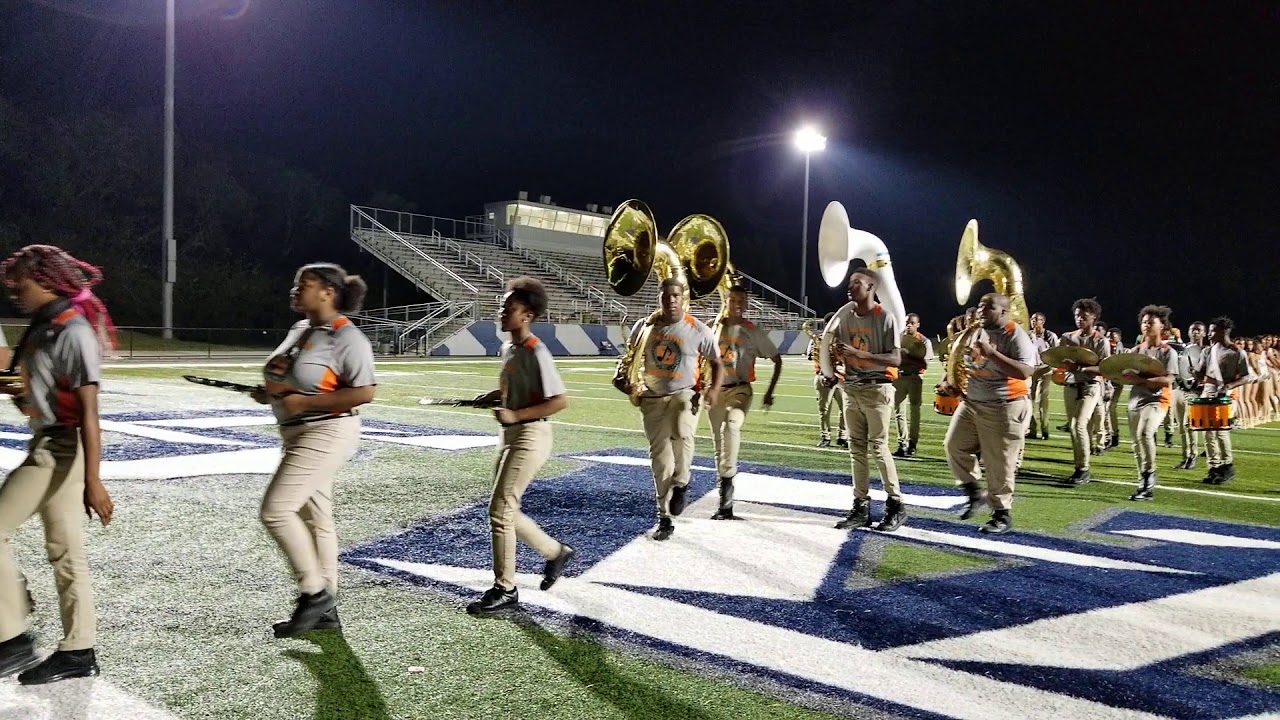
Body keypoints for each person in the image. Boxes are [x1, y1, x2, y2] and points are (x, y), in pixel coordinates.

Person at [0, 245, 115, 684]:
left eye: (20, 285)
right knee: (66, 550)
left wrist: (94, 480)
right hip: (49, 439)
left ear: (45, 280)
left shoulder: (72, 329)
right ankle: (78, 650)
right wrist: (19, 392)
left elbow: (89, 410)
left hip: (61, 446)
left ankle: (11, 637)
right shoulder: (45, 325)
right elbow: (35, 396)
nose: (15, 294)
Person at [253, 263, 377, 638]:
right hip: (296, 432)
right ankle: (327, 612)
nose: (295, 290)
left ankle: (314, 591)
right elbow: (294, 378)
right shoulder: (301, 329)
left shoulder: (348, 337)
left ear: (328, 292)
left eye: (303, 284)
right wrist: (270, 393)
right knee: (316, 520)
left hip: (327, 431)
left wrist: (304, 403)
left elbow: (364, 392)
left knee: (276, 511)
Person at [466, 278, 575, 615]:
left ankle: (506, 589)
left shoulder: (535, 350)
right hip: (512, 436)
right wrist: (494, 397)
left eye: (509, 308)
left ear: (527, 315)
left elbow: (558, 401)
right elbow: (513, 390)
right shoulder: (508, 348)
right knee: (505, 510)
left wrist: (516, 414)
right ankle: (556, 553)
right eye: (503, 307)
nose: (502, 312)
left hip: (531, 435)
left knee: (500, 510)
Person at [620, 278, 722, 541]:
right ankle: (664, 517)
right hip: (652, 397)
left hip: (685, 393)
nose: (671, 300)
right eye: (666, 296)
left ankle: (682, 482)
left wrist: (713, 390)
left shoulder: (698, 329)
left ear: (683, 298)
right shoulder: (644, 327)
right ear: (659, 298)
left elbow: (717, 362)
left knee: (682, 431)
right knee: (660, 459)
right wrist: (626, 383)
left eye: (676, 295)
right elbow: (629, 361)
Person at [941, 293, 1035, 535]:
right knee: (954, 446)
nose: (981, 310)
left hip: (1003, 405)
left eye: (988, 307)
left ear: (1004, 312)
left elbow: (1026, 371)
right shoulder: (975, 331)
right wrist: (949, 382)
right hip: (971, 402)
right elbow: (962, 360)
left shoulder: (1015, 335)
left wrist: (992, 354)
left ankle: (1002, 514)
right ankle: (974, 493)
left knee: (998, 463)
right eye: (980, 306)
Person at [823, 269, 905, 533]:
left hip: (877, 388)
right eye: (850, 283)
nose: (850, 287)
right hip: (852, 388)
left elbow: (895, 359)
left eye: (856, 283)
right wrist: (832, 368)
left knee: (878, 447)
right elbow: (840, 354)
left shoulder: (885, 317)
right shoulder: (845, 317)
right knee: (856, 449)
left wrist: (859, 354)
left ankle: (896, 504)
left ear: (871, 287)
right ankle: (861, 506)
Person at [708, 285, 781, 520]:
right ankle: (724, 500)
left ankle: (727, 493)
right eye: (733, 299)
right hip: (715, 392)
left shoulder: (752, 331)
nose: (737, 304)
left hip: (740, 389)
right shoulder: (713, 327)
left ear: (747, 304)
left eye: (742, 300)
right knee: (720, 446)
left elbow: (777, 360)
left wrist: (769, 392)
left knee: (731, 425)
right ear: (726, 301)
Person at [1125, 306, 1179, 501]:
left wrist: (1142, 380)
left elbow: (1169, 379)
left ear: (1162, 326)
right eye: (1144, 322)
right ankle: (1143, 482)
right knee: (1136, 443)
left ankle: (1149, 476)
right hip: (1135, 400)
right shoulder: (1136, 351)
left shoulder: (1168, 352)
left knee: (1145, 433)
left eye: (1151, 322)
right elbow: (1122, 372)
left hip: (1158, 399)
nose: (1146, 325)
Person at [1058, 299, 1111, 486]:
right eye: (1077, 316)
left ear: (1093, 317)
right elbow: (1059, 360)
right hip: (1071, 385)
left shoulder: (1101, 341)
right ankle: (1079, 465)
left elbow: (1105, 368)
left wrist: (1082, 368)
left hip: (1091, 386)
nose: (1079, 319)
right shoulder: (1068, 337)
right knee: (1078, 431)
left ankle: (1083, 469)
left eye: (1083, 316)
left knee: (1077, 425)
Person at [1197, 317, 1252, 485]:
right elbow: (1201, 373)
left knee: (1220, 431)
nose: (1209, 334)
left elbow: (1246, 376)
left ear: (1224, 331)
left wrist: (1229, 386)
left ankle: (1227, 466)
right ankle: (1213, 467)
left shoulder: (1237, 352)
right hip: (1207, 392)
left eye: (1213, 331)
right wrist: (1193, 373)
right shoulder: (1208, 351)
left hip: (1224, 395)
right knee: (1207, 432)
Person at [892, 312, 933, 458]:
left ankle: (912, 443)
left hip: (915, 377)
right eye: (907, 323)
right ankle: (902, 443)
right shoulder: (899, 338)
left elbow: (924, 364)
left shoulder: (924, 341)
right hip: (900, 376)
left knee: (915, 412)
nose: (908, 325)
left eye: (912, 323)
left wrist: (906, 357)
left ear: (918, 325)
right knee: (899, 412)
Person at [808, 312, 847, 448]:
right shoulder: (819, 339)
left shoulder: (842, 339)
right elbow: (812, 356)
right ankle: (825, 436)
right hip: (823, 376)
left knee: (845, 407)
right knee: (824, 409)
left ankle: (842, 435)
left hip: (840, 377)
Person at [1173, 322, 1206, 469]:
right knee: (1181, 427)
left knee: (1189, 424)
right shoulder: (1184, 349)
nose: (1195, 332)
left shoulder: (1206, 351)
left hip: (1194, 392)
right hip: (1179, 390)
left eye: (1199, 330)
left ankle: (1193, 455)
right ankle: (1185, 456)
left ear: (1204, 333)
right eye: (1193, 330)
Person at [1026, 311, 1059, 441]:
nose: (1033, 322)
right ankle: (1032, 429)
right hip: (1032, 370)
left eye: (1036, 319)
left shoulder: (1050, 336)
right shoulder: (1028, 335)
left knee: (1041, 400)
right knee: (1029, 401)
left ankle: (1045, 429)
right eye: (1032, 319)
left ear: (1043, 322)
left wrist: (1052, 367)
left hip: (1045, 369)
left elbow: (1056, 352)